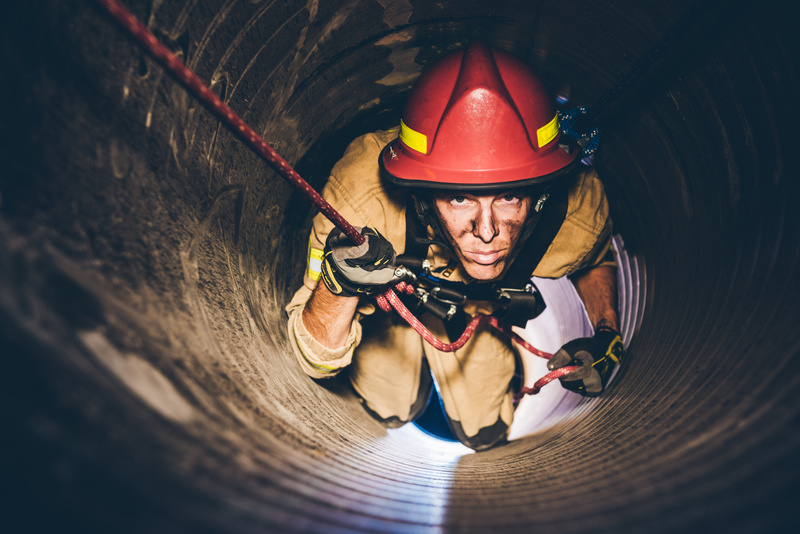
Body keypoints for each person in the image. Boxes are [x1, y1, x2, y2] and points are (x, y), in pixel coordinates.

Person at [286, 41, 623, 451]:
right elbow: (314, 356)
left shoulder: (574, 214)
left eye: (509, 197)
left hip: (474, 311)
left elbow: (594, 258)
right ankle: (408, 384)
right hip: (385, 313)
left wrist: (607, 332)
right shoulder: (360, 202)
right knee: (390, 406)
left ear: (541, 193)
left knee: (484, 430)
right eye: (460, 198)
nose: (487, 231)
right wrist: (340, 284)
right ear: (421, 194)